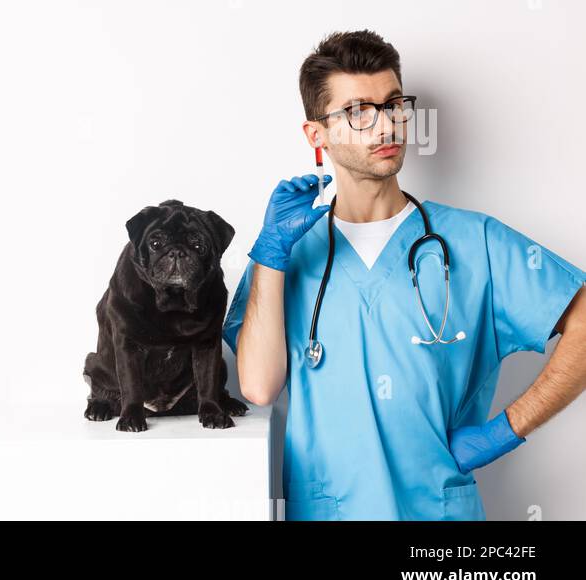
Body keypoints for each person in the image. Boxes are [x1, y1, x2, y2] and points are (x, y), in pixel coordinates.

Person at [224, 30, 586, 520]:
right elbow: (260, 387)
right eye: (357, 112)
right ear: (317, 135)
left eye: (394, 104)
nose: (384, 126)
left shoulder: (474, 242)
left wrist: (504, 430)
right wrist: (269, 256)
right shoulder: (288, 254)